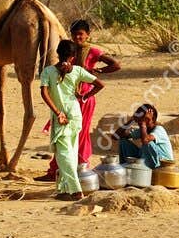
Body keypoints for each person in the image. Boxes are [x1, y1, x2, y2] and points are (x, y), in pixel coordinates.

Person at [36, 19, 120, 182]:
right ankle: (57, 169)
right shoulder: (70, 50)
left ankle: (81, 167)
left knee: (80, 133)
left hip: (85, 98)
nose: (77, 37)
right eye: (75, 34)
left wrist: (97, 71)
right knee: (61, 133)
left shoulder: (93, 52)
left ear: (88, 35)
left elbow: (116, 65)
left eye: (81, 34)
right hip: (68, 98)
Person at [39, 39, 104, 201]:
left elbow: (44, 94)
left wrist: (57, 112)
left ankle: (75, 190)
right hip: (75, 114)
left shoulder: (47, 71)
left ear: (57, 54)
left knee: (63, 154)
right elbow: (99, 84)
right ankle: (63, 189)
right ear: (73, 56)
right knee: (72, 152)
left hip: (62, 117)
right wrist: (84, 96)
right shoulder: (77, 71)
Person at [114, 103, 175, 169]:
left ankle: (147, 171)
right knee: (123, 142)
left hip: (162, 165)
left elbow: (145, 140)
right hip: (147, 160)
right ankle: (125, 169)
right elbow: (115, 136)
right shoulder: (143, 131)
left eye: (146, 119)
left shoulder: (159, 130)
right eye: (141, 119)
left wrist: (143, 123)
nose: (142, 121)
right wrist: (131, 120)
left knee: (148, 143)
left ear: (153, 119)